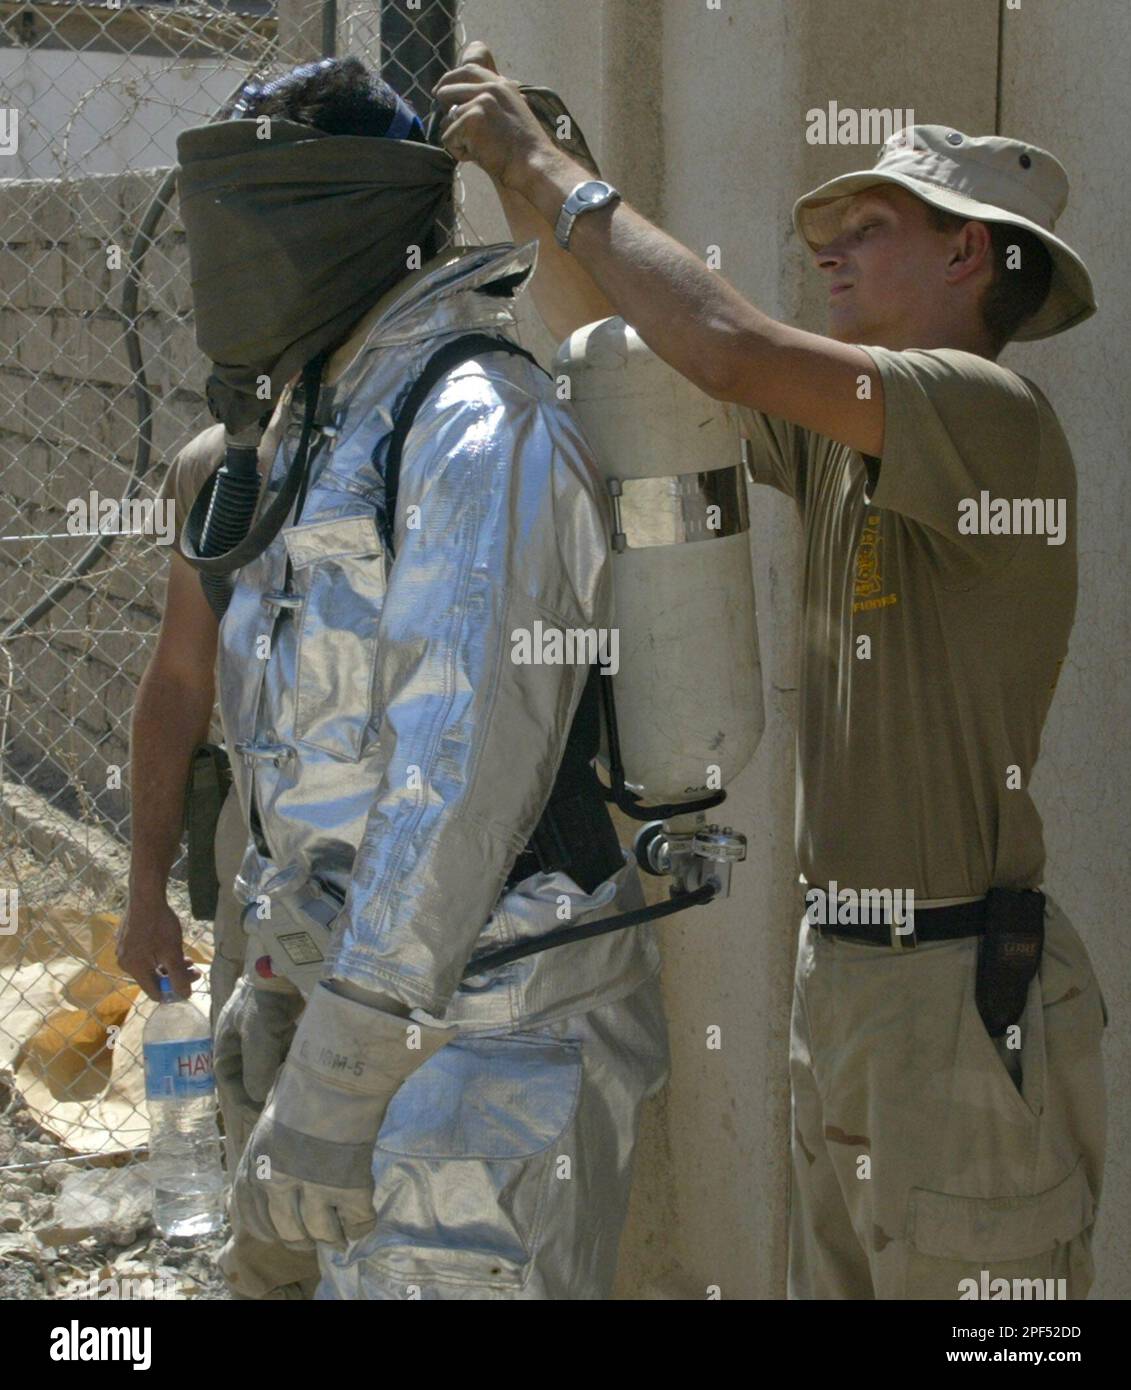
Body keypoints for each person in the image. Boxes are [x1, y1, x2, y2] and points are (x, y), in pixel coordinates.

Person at [432, 44, 1108, 1298]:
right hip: (852, 976)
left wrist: (549, 165)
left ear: (970, 258)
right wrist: (530, 178)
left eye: (870, 228)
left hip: (955, 992)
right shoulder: (864, 443)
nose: (829, 251)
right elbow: (654, 352)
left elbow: (729, 346)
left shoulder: (984, 414)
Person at [120, 55, 668, 1301]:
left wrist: (346, 1067)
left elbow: (458, 771)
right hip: (338, 1004)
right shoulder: (309, 426)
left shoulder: (476, 414)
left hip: (484, 1035)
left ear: (341, 215)